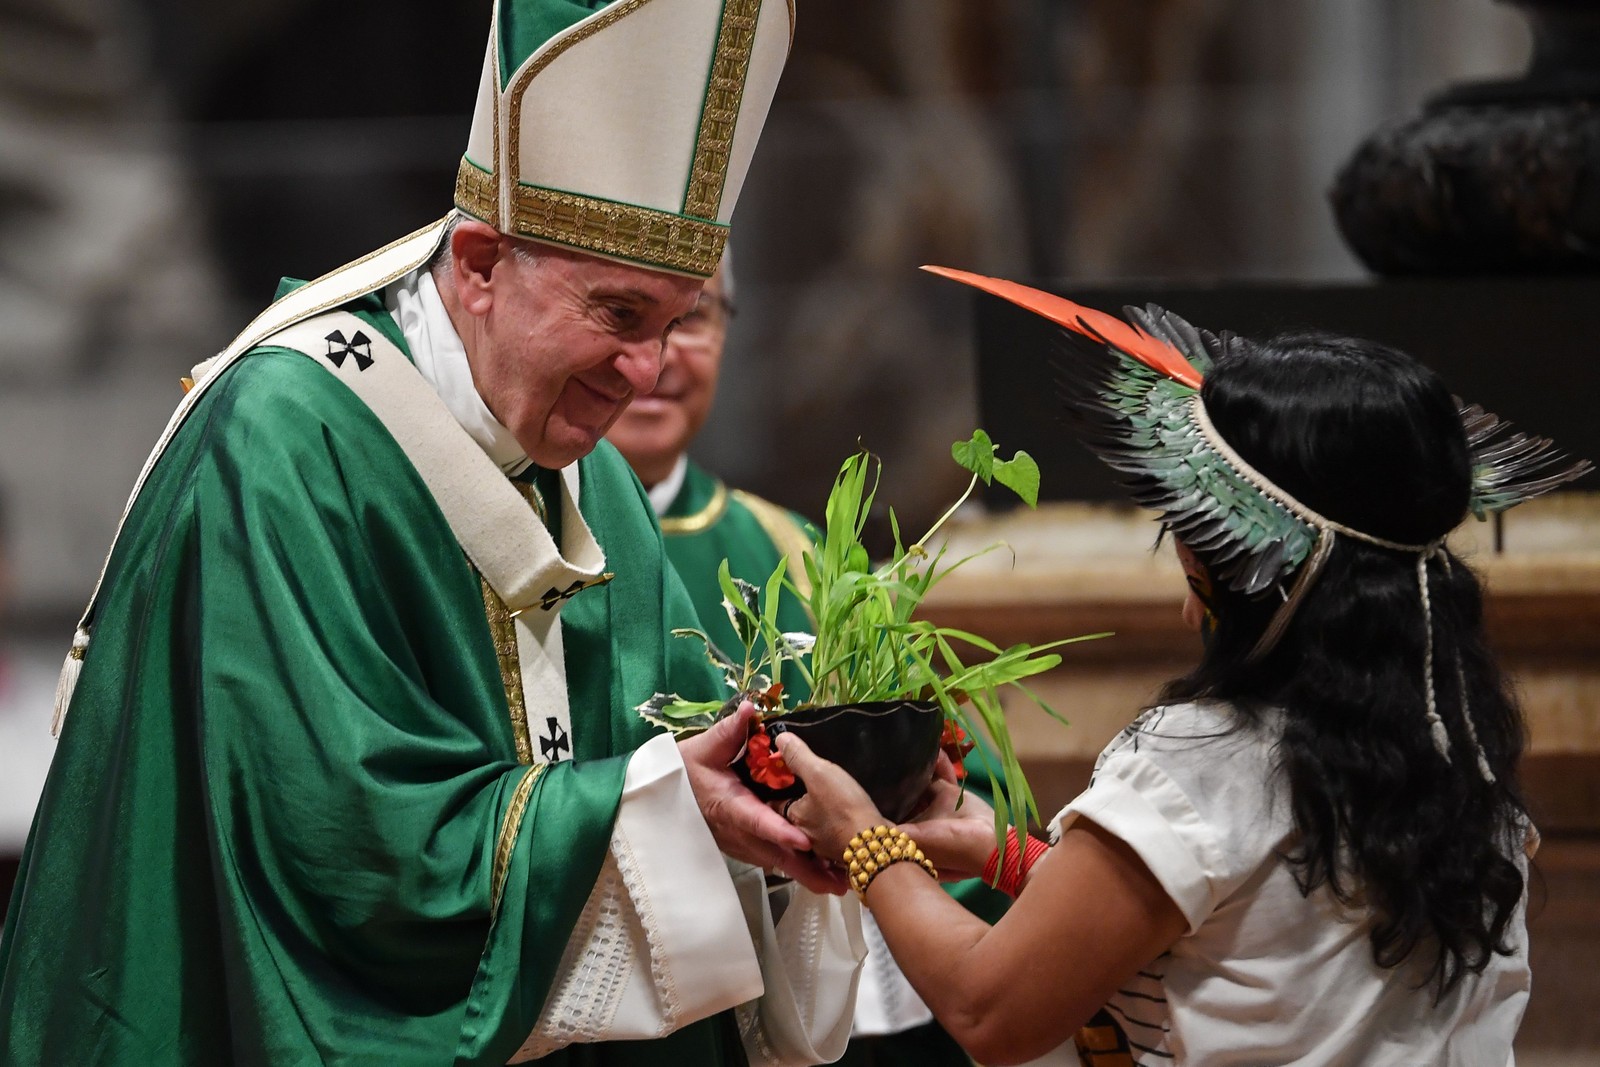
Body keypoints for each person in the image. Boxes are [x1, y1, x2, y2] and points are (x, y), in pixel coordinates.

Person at [0, 3, 874, 1065]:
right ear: (477, 263)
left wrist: (767, 811)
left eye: (680, 319)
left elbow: (675, 756)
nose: (647, 373)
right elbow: (339, 852)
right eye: (618, 315)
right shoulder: (285, 440)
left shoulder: (588, 470)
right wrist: (636, 810)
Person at [775, 269, 1593, 1066]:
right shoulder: (1457, 741)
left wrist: (865, 839)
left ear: (1231, 558)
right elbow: (1254, 928)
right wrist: (1009, 855)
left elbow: (989, 1010)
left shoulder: (1204, 758)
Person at [605, 253, 1026, 1066]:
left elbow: (945, 777)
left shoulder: (798, 550)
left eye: (691, 318)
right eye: (628, 316)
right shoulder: (527, 556)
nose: (660, 356)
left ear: (728, 330)